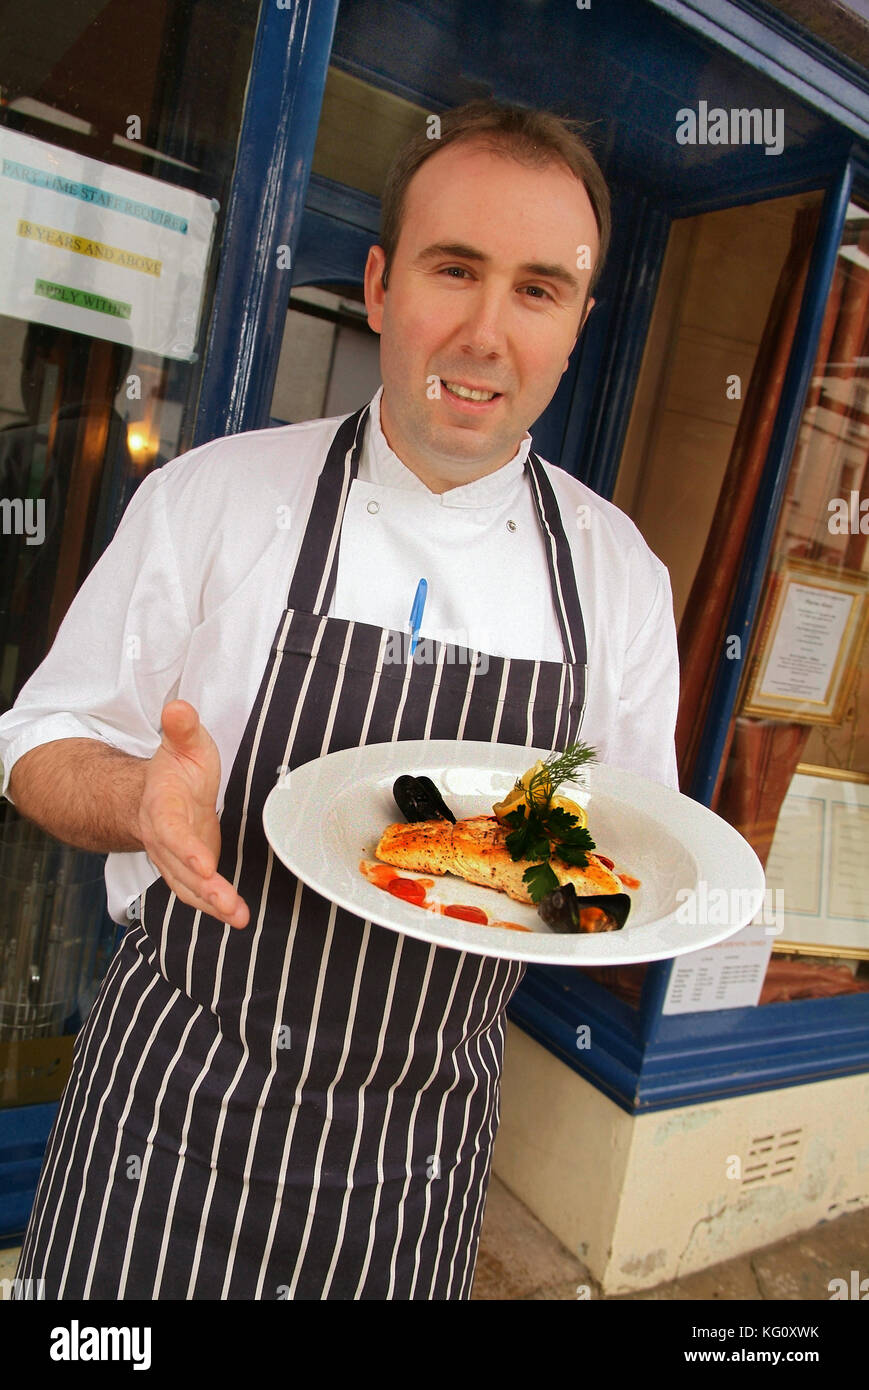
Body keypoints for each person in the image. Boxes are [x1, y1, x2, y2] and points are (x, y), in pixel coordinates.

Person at [0, 99, 679, 1300]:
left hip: (411, 1164)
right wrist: (138, 799)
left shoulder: (616, 577)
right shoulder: (212, 500)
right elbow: (39, 741)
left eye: (536, 289)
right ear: (377, 286)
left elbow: (621, 860)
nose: (484, 332)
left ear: (577, 325)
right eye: (452, 269)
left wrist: (555, 881)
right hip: (170, 1122)